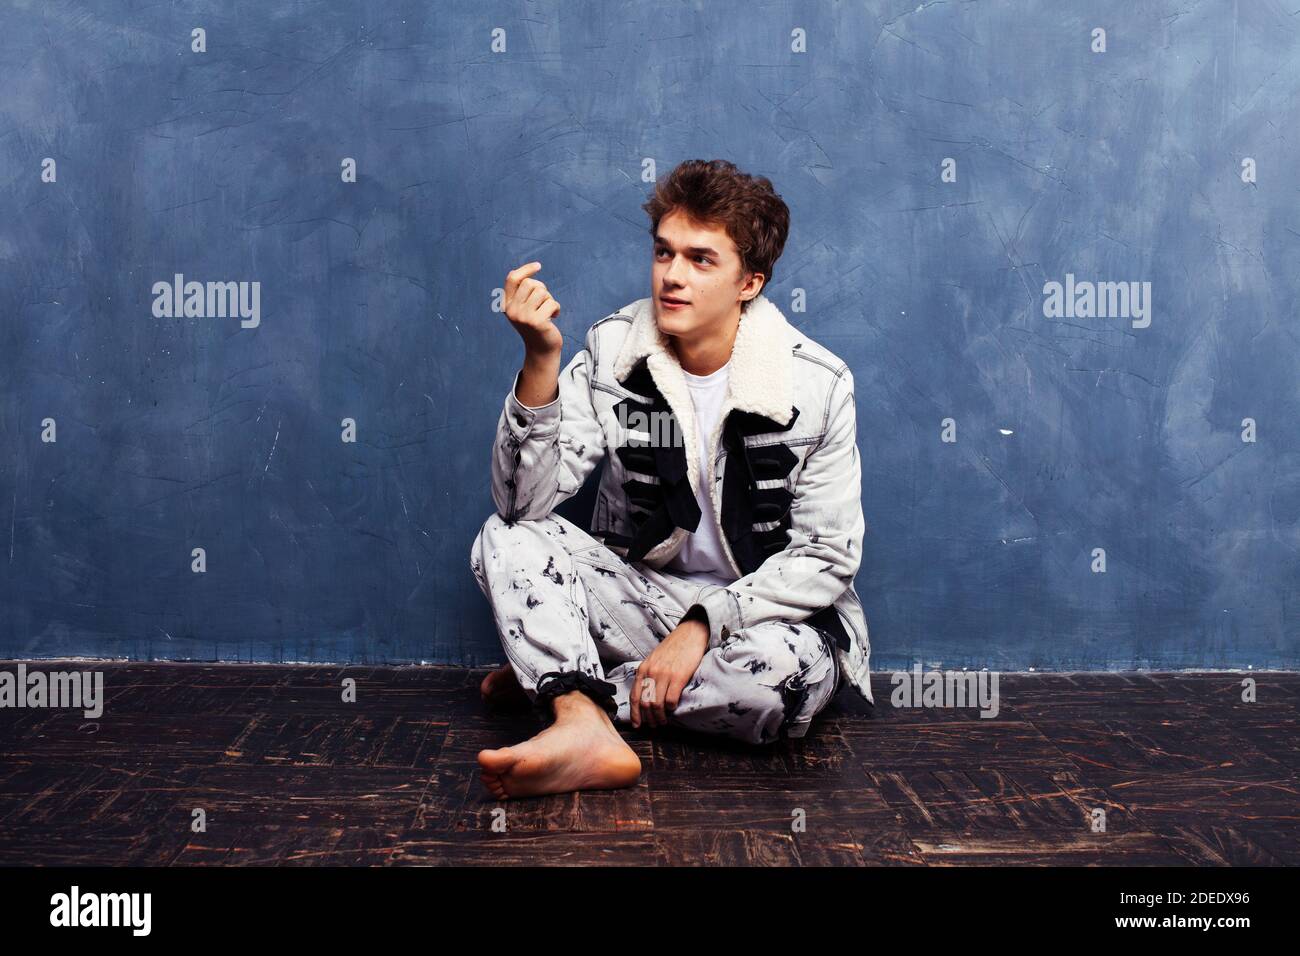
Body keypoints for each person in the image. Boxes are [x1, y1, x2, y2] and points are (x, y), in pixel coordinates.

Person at [470, 159, 874, 799]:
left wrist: (702, 625)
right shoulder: (613, 350)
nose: (673, 276)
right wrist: (540, 360)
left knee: (772, 686)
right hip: (642, 598)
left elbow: (827, 557)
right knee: (508, 535)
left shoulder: (818, 385)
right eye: (664, 253)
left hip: (762, 626)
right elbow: (522, 504)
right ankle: (579, 725)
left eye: (701, 260)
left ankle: (563, 683)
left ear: (750, 282)